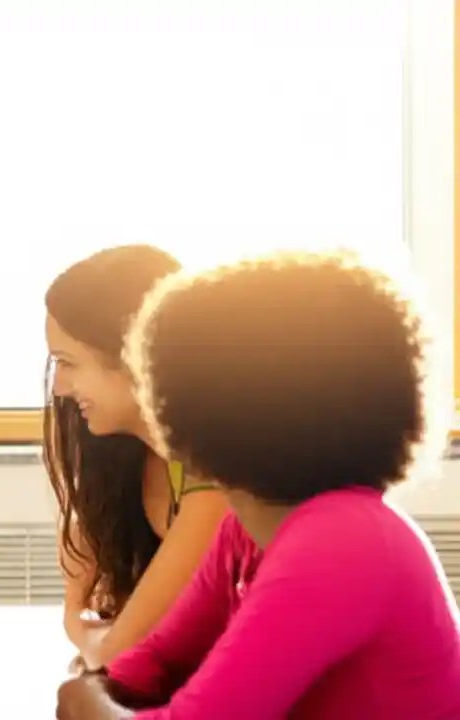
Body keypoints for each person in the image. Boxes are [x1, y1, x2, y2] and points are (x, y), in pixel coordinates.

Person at [56, 250, 460, 719]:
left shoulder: (343, 539)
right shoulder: (245, 531)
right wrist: (97, 694)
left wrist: (87, 702)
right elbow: (148, 666)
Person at [45, 245, 229, 669]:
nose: (59, 387)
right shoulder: (138, 465)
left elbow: (119, 654)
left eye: (67, 362)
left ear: (133, 359)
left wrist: (77, 617)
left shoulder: (216, 471)